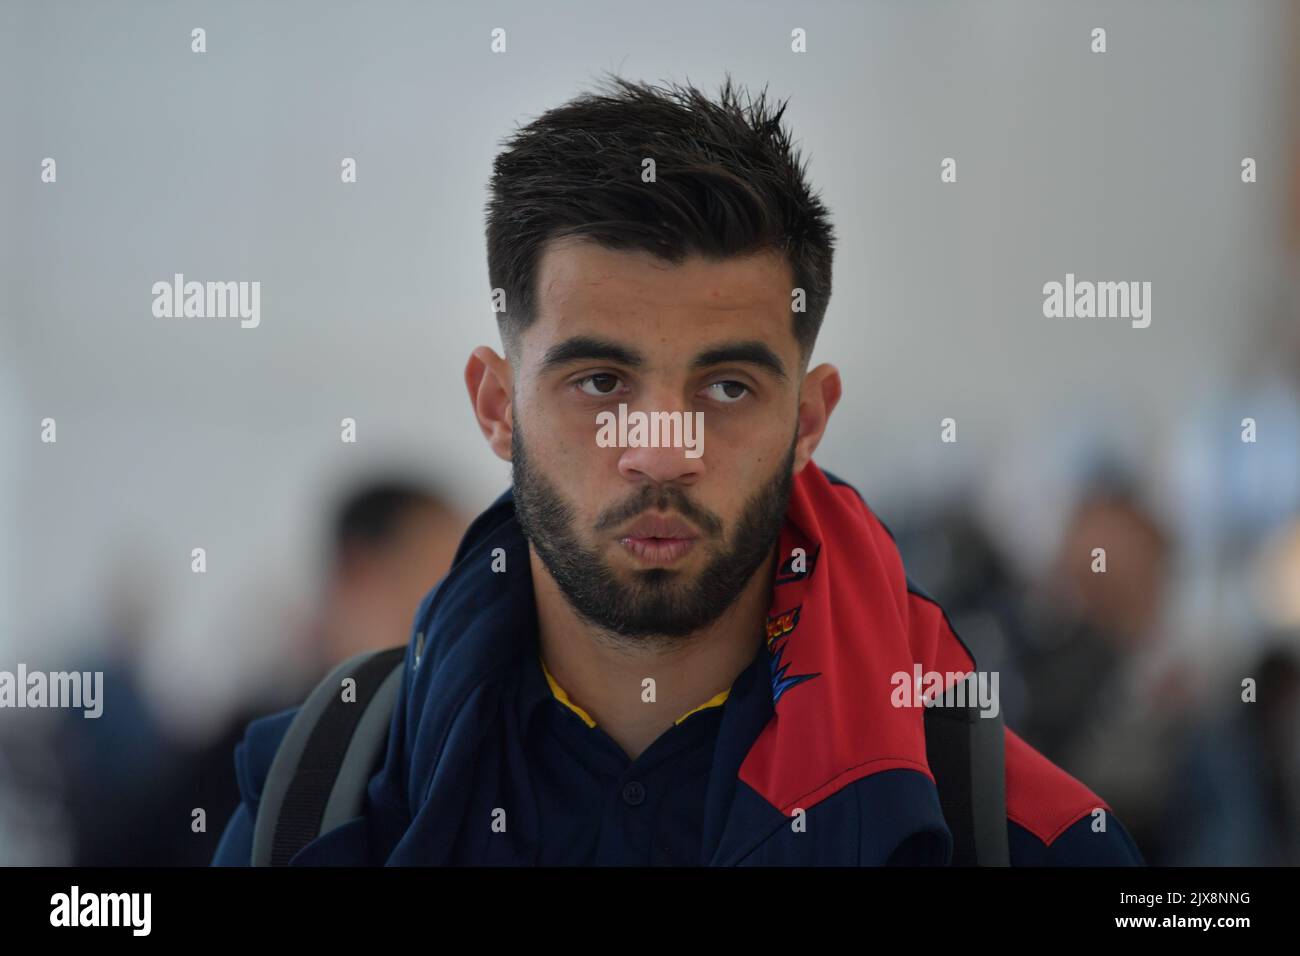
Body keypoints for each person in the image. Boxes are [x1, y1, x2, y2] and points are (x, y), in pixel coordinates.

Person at [213, 74, 1143, 866]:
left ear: (809, 418)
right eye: (601, 380)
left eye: (728, 387)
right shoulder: (319, 792)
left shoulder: (1004, 831)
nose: (662, 450)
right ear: (498, 406)